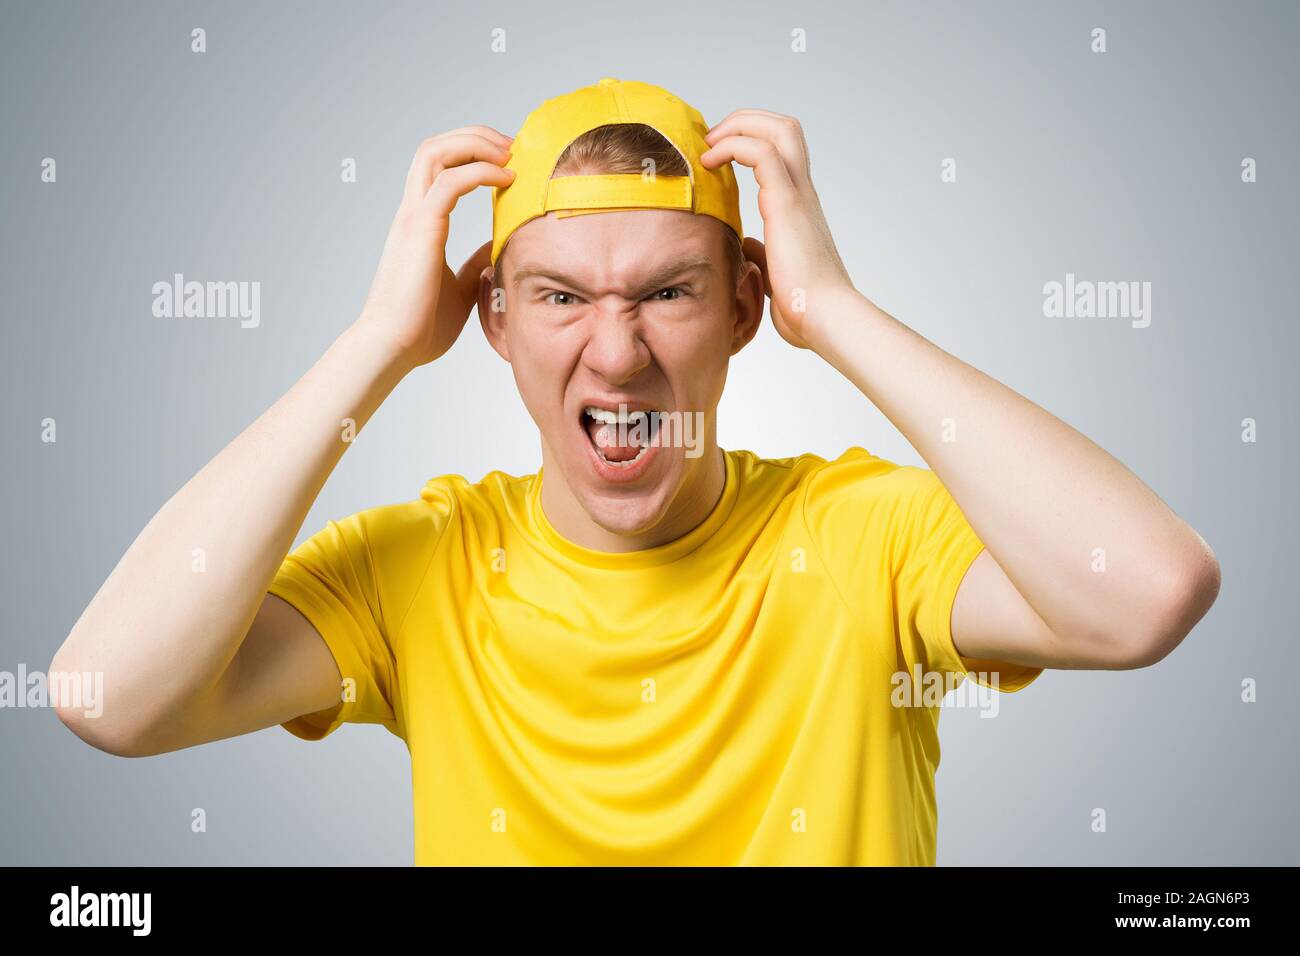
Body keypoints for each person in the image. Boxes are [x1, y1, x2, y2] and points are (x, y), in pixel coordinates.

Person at [50, 78, 1220, 865]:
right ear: (494, 321)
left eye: (668, 291)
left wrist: (841, 312)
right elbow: (110, 698)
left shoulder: (866, 537)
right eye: (560, 297)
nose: (615, 350)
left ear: (744, 309)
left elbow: (1148, 592)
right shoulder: (424, 567)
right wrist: (374, 347)